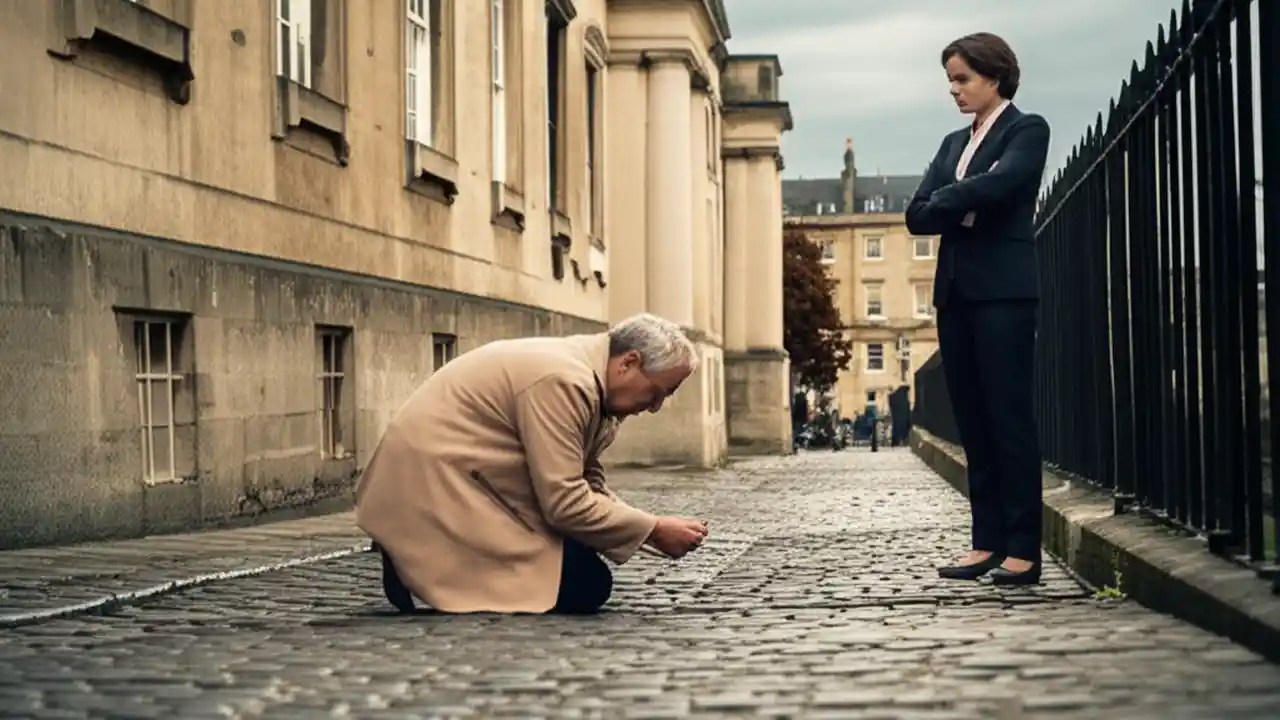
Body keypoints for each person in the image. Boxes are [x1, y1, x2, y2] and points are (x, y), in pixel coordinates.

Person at [355, 313, 710, 614]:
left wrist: (649, 529)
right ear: (628, 363)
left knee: (581, 566)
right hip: (436, 485)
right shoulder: (565, 381)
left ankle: (417, 553)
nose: (654, 406)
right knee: (585, 586)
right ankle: (416, 554)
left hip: (463, 477)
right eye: (657, 391)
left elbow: (586, 482)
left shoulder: (586, 377)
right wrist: (654, 530)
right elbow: (566, 503)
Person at [905, 32, 1051, 586]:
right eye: (951, 80)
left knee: (1008, 417)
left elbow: (1008, 183)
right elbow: (918, 216)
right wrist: (968, 197)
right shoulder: (951, 144)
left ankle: (1023, 548)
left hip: (1004, 293)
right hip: (958, 293)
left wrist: (953, 199)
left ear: (994, 76)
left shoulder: (1025, 129)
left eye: (963, 78)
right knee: (972, 420)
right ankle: (986, 540)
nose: (955, 89)